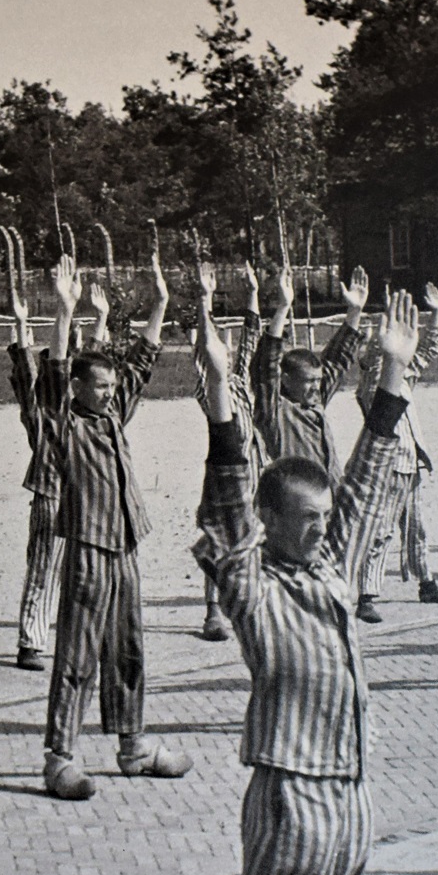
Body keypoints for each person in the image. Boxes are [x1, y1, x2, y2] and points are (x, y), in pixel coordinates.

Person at [195, 279, 434, 875]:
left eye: (323, 518)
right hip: (289, 794)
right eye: (303, 519)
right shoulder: (253, 586)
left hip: (348, 795)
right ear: (270, 521)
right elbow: (224, 506)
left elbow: (368, 482)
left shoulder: (332, 568)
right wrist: (222, 397)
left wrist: (396, 378)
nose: (320, 529)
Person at [36, 250, 182, 800]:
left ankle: (134, 745)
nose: (107, 393)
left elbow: (142, 362)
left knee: (129, 649)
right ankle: (59, 757)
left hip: (125, 547)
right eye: (98, 386)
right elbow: (51, 376)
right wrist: (64, 312)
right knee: (76, 655)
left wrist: (161, 303)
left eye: (109, 387)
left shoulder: (113, 413)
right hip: (88, 550)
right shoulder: (62, 423)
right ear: (78, 387)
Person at [353, 282, 438, 620]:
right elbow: (387, 373)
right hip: (387, 465)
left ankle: (426, 583)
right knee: (381, 529)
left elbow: (427, 350)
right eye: (373, 350)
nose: (379, 352)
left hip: (411, 462)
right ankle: (367, 594)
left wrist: (437, 313)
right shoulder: (371, 385)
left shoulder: (404, 375)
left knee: (417, 527)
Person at [196, 261, 266, 641]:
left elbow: (252, 338)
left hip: (253, 467)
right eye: (221, 346)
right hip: (224, 473)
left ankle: (248, 604)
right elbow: (203, 353)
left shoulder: (240, 380)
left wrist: (253, 293)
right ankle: (212, 611)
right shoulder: (209, 388)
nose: (229, 349)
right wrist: (204, 302)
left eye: (229, 345)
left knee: (253, 536)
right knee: (218, 538)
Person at [252, 265, 369, 479]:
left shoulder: (315, 399)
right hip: (296, 501)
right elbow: (266, 369)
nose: (317, 386)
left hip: (329, 493)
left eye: (318, 380)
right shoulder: (275, 412)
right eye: (309, 381)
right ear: (286, 381)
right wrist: (283, 307)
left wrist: (355, 311)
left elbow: (338, 360)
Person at [6, 266, 64, 671]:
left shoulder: (75, 410)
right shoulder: (41, 415)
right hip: (51, 495)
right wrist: (22, 325)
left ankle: (72, 635)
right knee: (44, 569)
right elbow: (30, 371)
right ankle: (31, 641)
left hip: (78, 495)